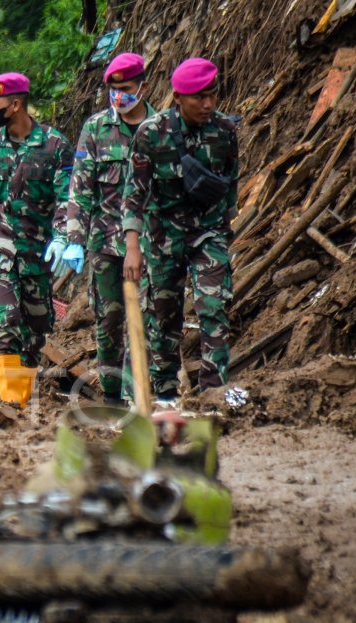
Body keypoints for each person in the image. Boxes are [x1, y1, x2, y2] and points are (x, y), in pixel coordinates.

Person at [123, 57, 238, 401]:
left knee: (214, 306)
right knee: (163, 318)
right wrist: (133, 247)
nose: (207, 104)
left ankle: (214, 392)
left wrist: (224, 232)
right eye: (198, 97)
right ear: (177, 98)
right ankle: (165, 392)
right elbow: (134, 194)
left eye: (212, 95)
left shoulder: (224, 131)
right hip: (163, 236)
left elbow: (230, 184)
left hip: (208, 232)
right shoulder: (151, 134)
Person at [0, 72, 73, 403]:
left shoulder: (54, 145)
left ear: (15, 105)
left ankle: (21, 402)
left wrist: (64, 237)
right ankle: (10, 403)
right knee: (5, 321)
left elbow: (67, 199)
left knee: (35, 332)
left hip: (37, 252)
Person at [64, 52, 155, 404]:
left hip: (147, 244)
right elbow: (80, 189)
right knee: (108, 322)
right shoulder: (96, 128)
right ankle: (112, 397)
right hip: (104, 243)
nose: (119, 96)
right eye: (113, 90)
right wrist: (74, 238)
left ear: (143, 86)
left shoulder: (160, 128)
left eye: (126, 89)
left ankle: (136, 400)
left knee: (143, 321)